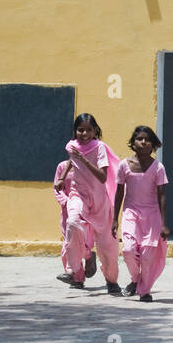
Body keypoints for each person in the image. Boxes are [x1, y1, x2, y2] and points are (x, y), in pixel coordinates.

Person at [61, 113, 121, 293]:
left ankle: (111, 280)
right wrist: (62, 178)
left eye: (88, 130)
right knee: (72, 223)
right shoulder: (72, 147)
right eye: (80, 129)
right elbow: (72, 161)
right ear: (75, 131)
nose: (84, 133)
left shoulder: (99, 147)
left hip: (99, 201)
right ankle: (75, 272)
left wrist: (84, 159)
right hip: (77, 194)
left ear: (95, 131)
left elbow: (102, 177)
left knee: (106, 244)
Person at [114, 125, 169, 302]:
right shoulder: (124, 165)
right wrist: (114, 219)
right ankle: (135, 279)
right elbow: (119, 193)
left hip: (152, 215)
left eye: (147, 140)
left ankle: (144, 291)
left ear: (153, 144)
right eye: (140, 139)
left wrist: (163, 223)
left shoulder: (158, 167)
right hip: (131, 212)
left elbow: (162, 195)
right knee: (129, 250)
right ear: (133, 142)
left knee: (147, 256)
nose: (143, 142)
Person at [55, 160, 96, 282]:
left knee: (81, 239)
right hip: (67, 210)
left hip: (85, 209)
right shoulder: (62, 166)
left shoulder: (91, 166)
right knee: (68, 242)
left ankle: (87, 255)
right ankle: (75, 277)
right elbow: (57, 188)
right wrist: (68, 202)